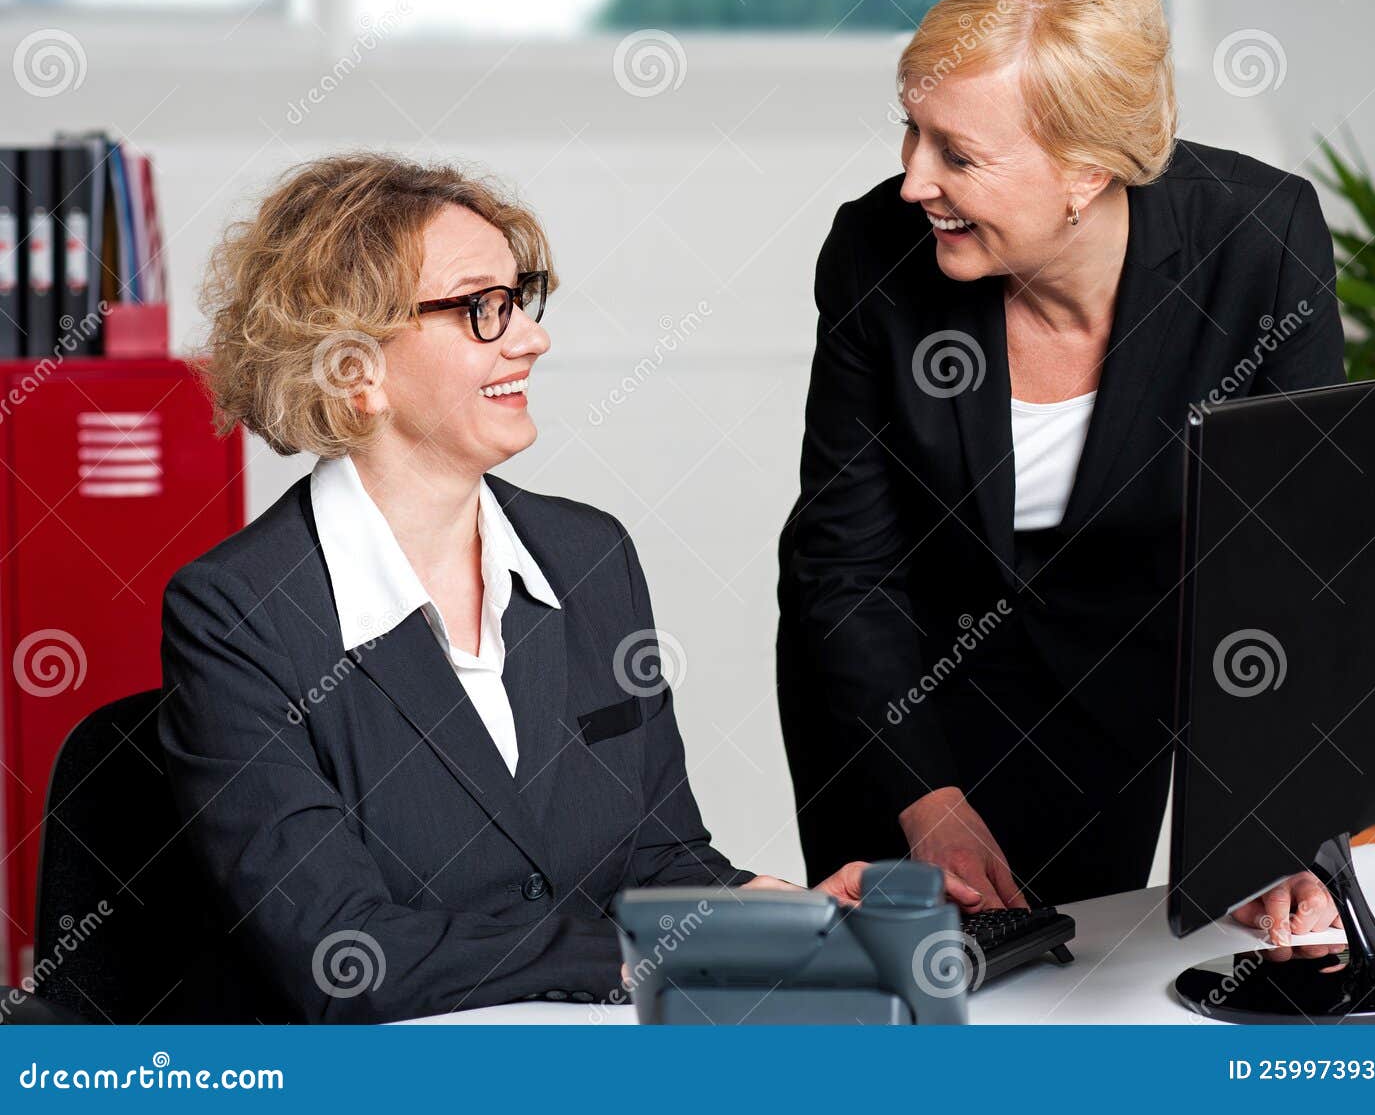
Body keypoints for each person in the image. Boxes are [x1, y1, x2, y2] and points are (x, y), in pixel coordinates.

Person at [160, 154, 978, 1023]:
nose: (530, 337)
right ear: (356, 367)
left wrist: (758, 905)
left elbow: (659, 857)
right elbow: (339, 951)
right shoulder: (237, 613)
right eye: (483, 309)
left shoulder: (587, 554)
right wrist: (644, 947)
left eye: (521, 298)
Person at [777, 0, 1344, 944]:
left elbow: (1292, 563)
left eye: (956, 152)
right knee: (908, 1008)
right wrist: (925, 801)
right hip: (892, 693)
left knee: (1073, 985)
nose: (914, 179)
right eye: (910, 132)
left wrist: (1277, 829)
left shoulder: (1257, 239)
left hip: (1109, 688)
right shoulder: (874, 249)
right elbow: (846, 565)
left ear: (1087, 169)